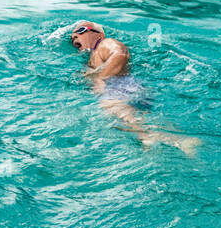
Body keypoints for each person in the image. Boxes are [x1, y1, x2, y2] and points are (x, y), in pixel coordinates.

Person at [69, 20, 200, 156]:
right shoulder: (91, 59)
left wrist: (102, 78)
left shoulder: (105, 44)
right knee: (124, 119)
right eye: (72, 38)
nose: (75, 38)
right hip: (130, 87)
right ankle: (179, 139)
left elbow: (120, 55)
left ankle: (153, 137)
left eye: (81, 31)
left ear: (99, 35)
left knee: (110, 107)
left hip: (122, 85)